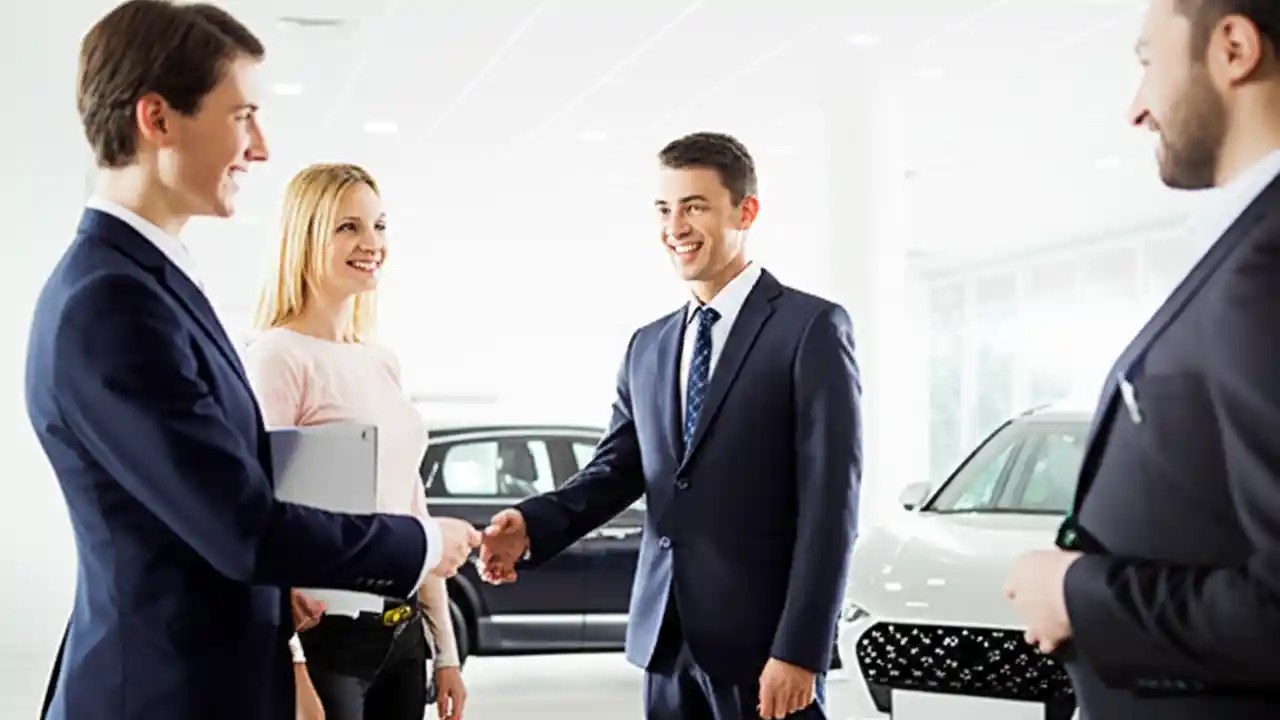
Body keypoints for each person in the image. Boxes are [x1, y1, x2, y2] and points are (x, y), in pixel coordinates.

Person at [24, 3, 479, 718]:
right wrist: (422, 544)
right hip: (162, 695)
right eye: (242, 117)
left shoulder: (149, 283)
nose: (259, 148)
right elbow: (245, 528)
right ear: (157, 118)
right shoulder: (112, 302)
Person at [480, 131, 861, 720]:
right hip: (665, 643)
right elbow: (616, 471)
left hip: (765, 649)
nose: (675, 226)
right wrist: (533, 523)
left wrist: (801, 649)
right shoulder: (649, 345)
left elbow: (831, 508)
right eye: (664, 209)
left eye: (695, 207)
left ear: (745, 212)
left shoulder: (809, 329)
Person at [1003, 1, 1280, 718]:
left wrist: (1076, 594)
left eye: (1149, 62)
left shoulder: (1265, 267)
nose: (1136, 110)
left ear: (1233, 48)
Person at [243, 163, 468, 720]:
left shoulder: (380, 361)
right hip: (325, 640)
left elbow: (412, 509)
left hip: (401, 632)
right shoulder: (277, 356)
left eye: (379, 226)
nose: (372, 243)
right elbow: (255, 515)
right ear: (306, 237)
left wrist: (445, 653)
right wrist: (292, 661)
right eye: (349, 227)